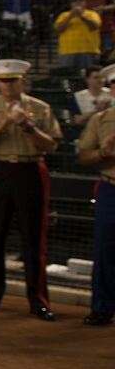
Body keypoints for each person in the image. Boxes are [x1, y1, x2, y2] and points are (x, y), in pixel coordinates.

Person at [0, 59, 62, 321]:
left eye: (13, 80)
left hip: (31, 169)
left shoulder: (40, 107)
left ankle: (38, 300)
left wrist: (27, 125)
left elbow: (51, 145)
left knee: (34, 239)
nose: (8, 85)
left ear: (23, 81)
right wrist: (5, 122)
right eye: (4, 80)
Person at [75, 62, 115, 326]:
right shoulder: (101, 120)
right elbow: (83, 156)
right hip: (111, 188)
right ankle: (102, 307)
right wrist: (103, 153)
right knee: (105, 250)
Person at [54, 0, 102, 69]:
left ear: (85, 3)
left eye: (81, 1)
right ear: (71, 4)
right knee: (68, 74)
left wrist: (82, 16)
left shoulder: (92, 14)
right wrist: (70, 16)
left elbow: (95, 26)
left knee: (87, 73)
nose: (78, 3)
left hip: (88, 50)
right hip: (67, 51)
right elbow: (58, 28)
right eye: (75, 1)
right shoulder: (63, 15)